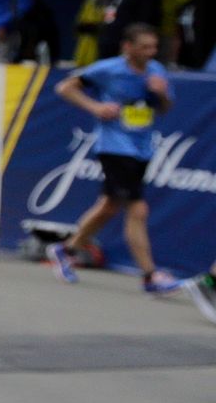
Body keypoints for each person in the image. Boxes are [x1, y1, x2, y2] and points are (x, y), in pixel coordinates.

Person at [45, 23, 180, 294]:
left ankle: (66, 249)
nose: (150, 52)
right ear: (127, 47)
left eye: (153, 47)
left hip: (142, 147)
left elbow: (165, 108)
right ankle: (150, 276)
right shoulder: (108, 69)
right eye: (144, 47)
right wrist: (95, 107)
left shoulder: (156, 71)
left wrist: (161, 93)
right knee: (137, 209)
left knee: (108, 206)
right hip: (115, 147)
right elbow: (65, 87)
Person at [72, 0, 112, 67]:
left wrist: (91, 27)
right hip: (83, 57)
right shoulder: (90, 0)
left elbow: (108, 27)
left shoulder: (112, 1)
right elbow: (78, 26)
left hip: (102, 57)